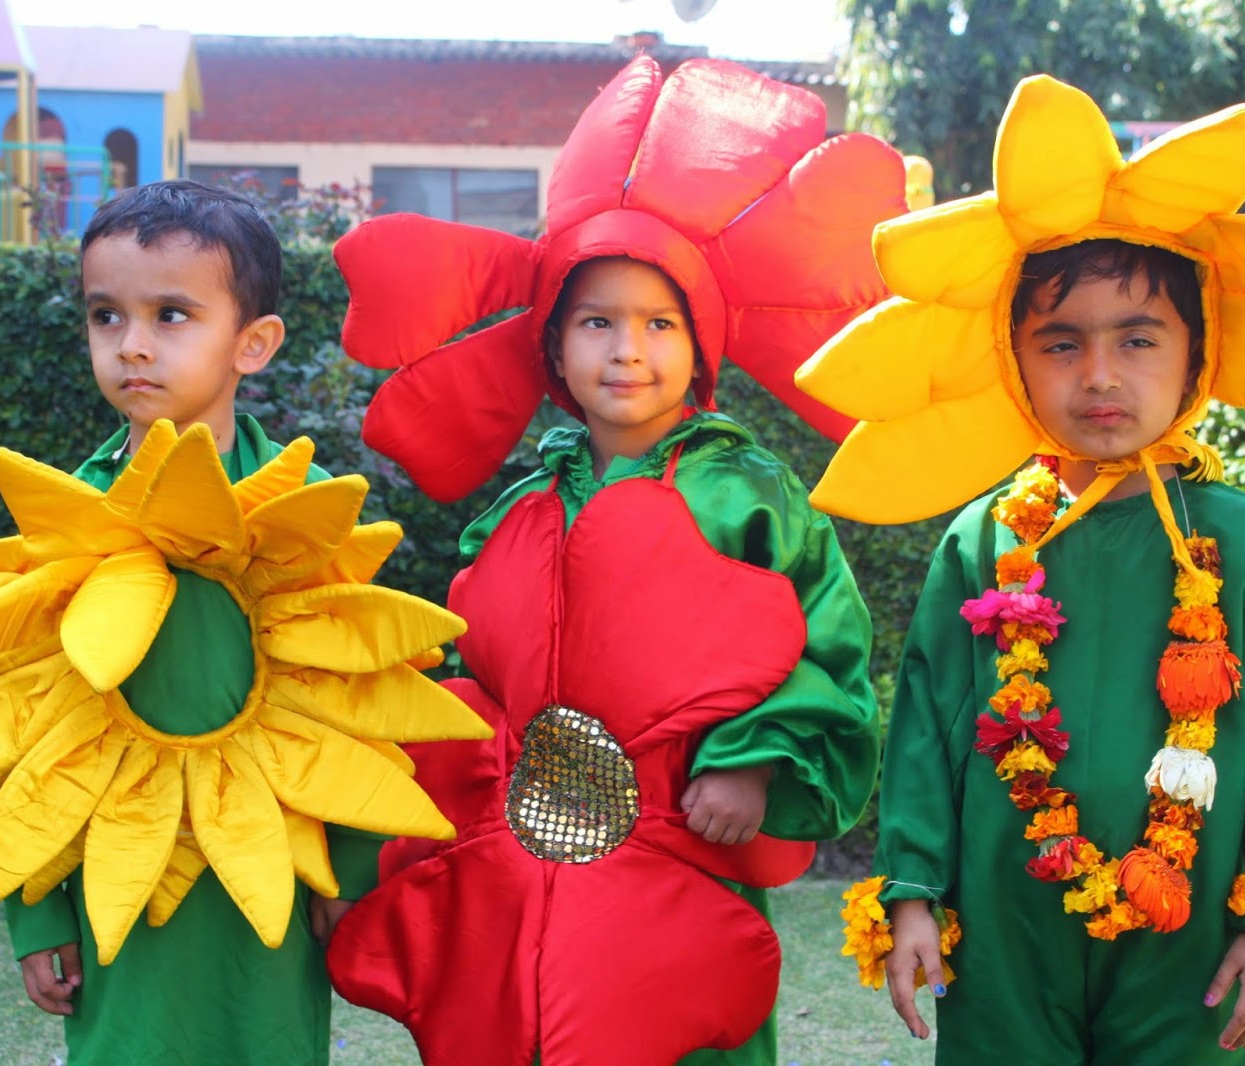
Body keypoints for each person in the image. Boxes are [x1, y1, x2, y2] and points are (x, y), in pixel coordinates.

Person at [800, 76, 1245, 1064]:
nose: (1101, 375)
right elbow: (926, 729)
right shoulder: (985, 538)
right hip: (1001, 932)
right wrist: (911, 891)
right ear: (1014, 358)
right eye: (1062, 343)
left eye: (1137, 338)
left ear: (1195, 353)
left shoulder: (1243, 544)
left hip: (1195, 940)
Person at [323, 56, 906, 1065]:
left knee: (683, 1033)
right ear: (554, 348)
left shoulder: (747, 492)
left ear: (698, 348)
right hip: (533, 877)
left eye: (657, 323)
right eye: (596, 321)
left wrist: (753, 759)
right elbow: (475, 681)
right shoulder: (518, 508)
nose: (626, 349)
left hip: (688, 852)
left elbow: (825, 642)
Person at [0, 179, 486, 1065]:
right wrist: (36, 914)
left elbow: (360, 696)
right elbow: (22, 732)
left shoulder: (307, 521)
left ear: (251, 343)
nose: (132, 346)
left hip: (274, 886)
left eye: (171, 315)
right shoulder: (62, 528)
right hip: (119, 893)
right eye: (106, 317)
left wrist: (354, 861)